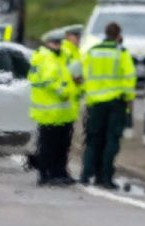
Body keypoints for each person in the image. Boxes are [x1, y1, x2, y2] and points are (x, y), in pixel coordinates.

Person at [81, 22, 136, 186]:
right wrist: (129, 99)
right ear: (118, 35)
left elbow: (84, 74)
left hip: (95, 102)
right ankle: (105, 177)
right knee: (111, 140)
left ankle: (86, 174)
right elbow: (129, 77)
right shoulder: (121, 53)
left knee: (93, 139)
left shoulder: (93, 51)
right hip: (115, 102)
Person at [30, 30, 80, 185]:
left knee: (62, 145)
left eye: (59, 43)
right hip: (49, 111)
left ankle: (60, 172)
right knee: (48, 145)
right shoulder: (45, 57)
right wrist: (64, 91)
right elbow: (49, 81)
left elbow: (70, 73)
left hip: (62, 111)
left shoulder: (60, 56)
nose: (57, 46)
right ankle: (45, 174)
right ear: (47, 43)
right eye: (54, 43)